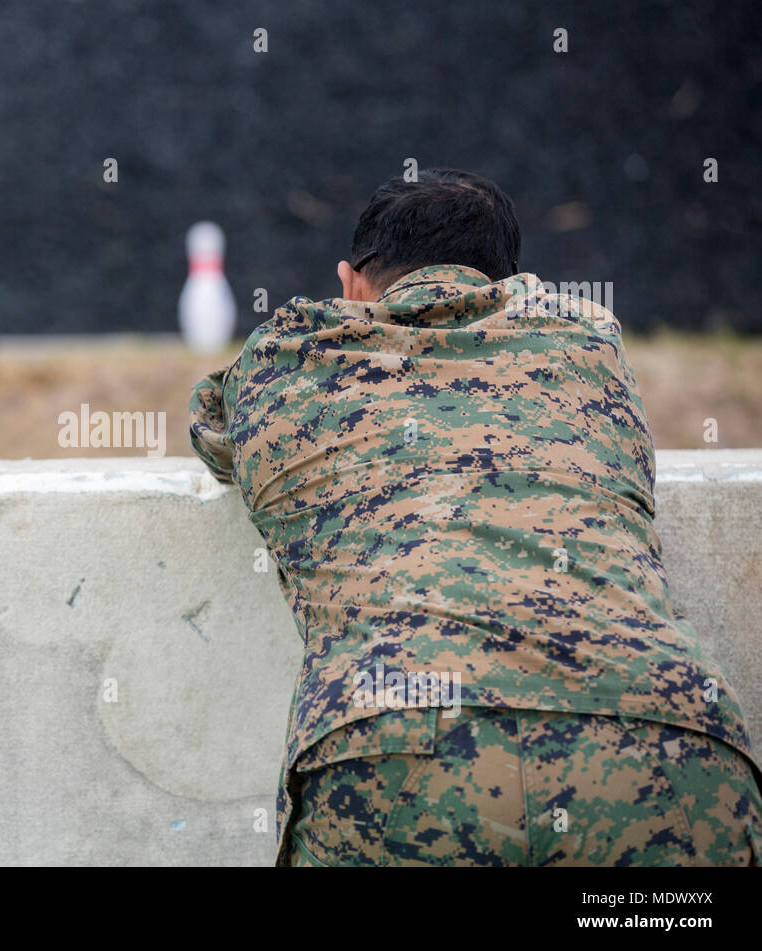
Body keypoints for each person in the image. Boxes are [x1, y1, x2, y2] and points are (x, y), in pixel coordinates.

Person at [189, 167, 762, 866]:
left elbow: (215, 428)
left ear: (351, 284)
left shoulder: (286, 360)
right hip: (670, 745)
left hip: (395, 758)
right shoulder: (591, 345)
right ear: (512, 283)